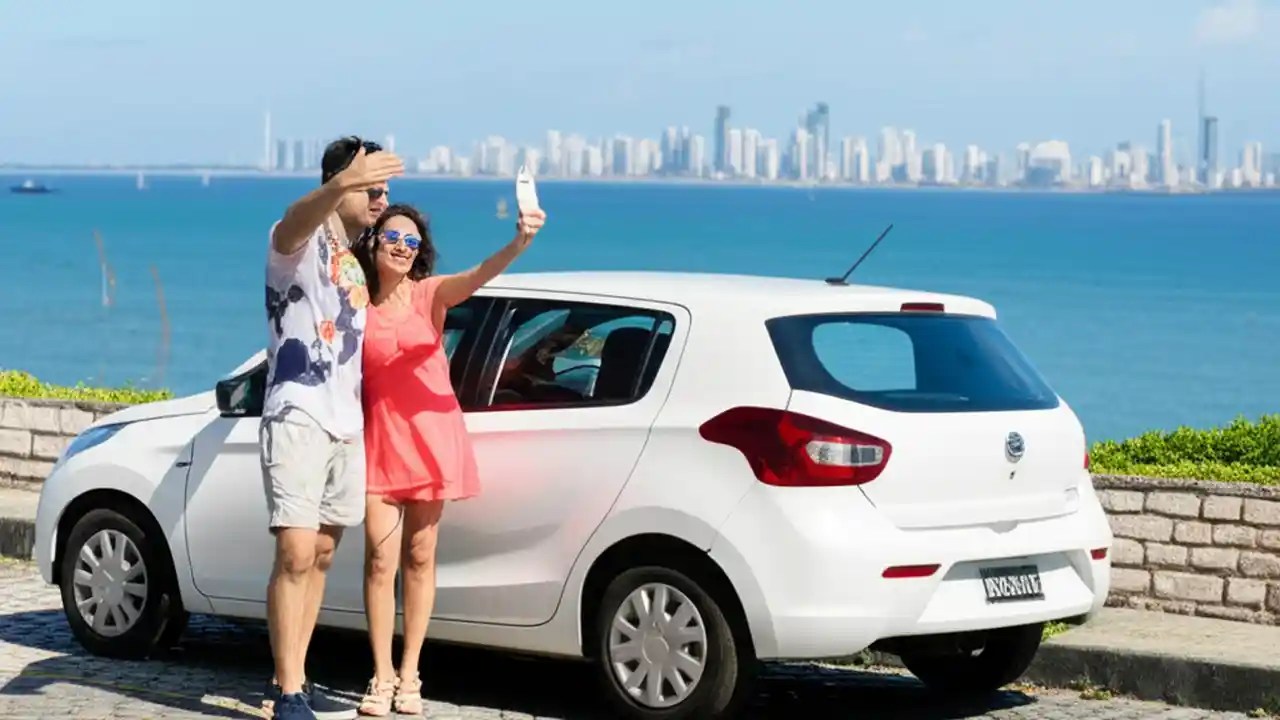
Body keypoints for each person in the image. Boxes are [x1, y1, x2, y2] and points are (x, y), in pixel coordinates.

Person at [350, 202, 546, 716]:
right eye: (393, 237)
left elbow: (479, 276)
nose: (401, 247)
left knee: (418, 556)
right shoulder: (356, 303)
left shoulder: (428, 294)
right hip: (380, 445)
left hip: (432, 443)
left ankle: (411, 671)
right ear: (374, 242)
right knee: (378, 560)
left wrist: (519, 243)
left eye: (412, 243)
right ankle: (382, 674)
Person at [260, 136, 404, 720]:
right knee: (293, 551)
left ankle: (293, 673)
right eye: (371, 185)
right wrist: (344, 181)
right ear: (339, 182)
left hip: (348, 421)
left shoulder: (354, 258)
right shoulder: (294, 240)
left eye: (385, 188)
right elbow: (295, 219)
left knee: (320, 553)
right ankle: (288, 691)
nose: (380, 196)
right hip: (298, 411)